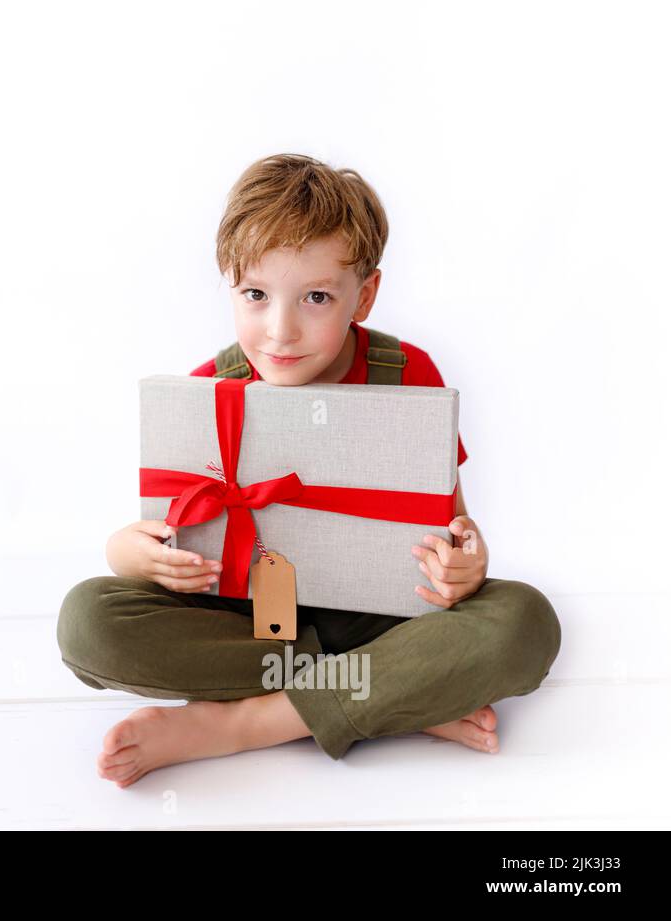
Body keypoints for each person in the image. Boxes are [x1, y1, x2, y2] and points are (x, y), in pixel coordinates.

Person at [56, 153, 562, 787]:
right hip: (254, 629)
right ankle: (391, 698)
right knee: (88, 621)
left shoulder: (408, 376)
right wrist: (128, 553)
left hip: (385, 618)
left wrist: (467, 562)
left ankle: (242, 724)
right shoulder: (212, 392)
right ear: (230, 285)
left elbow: (450, 524)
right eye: (256, 295)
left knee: (524, 622)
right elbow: (163, 534)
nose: (280, 330)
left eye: (316, 297)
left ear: (365, 295)